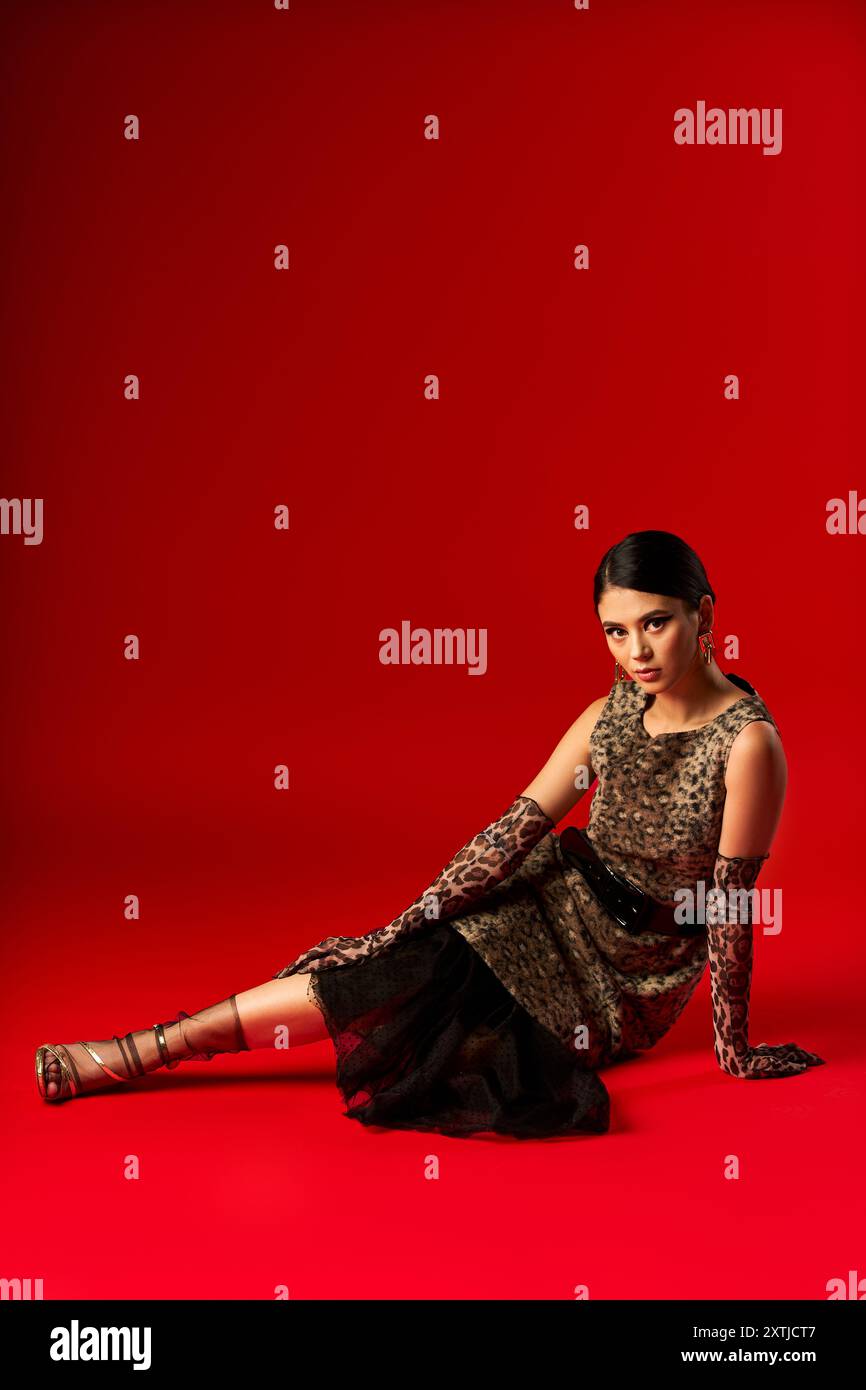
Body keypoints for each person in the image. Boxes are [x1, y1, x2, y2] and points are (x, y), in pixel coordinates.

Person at [34, 529, 825, 1137]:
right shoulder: (607, 715)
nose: (636, 652)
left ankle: (147, 1051)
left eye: (655, 624)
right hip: (554, 897)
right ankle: (147, 1050)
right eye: (615, 632)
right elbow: (517, 830)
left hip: (629, 973)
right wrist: (403, 922)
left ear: (705, 613)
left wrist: (734, 1046)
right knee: (403, 961)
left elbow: (726, 907)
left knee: (459, 1038)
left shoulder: (747, 743)